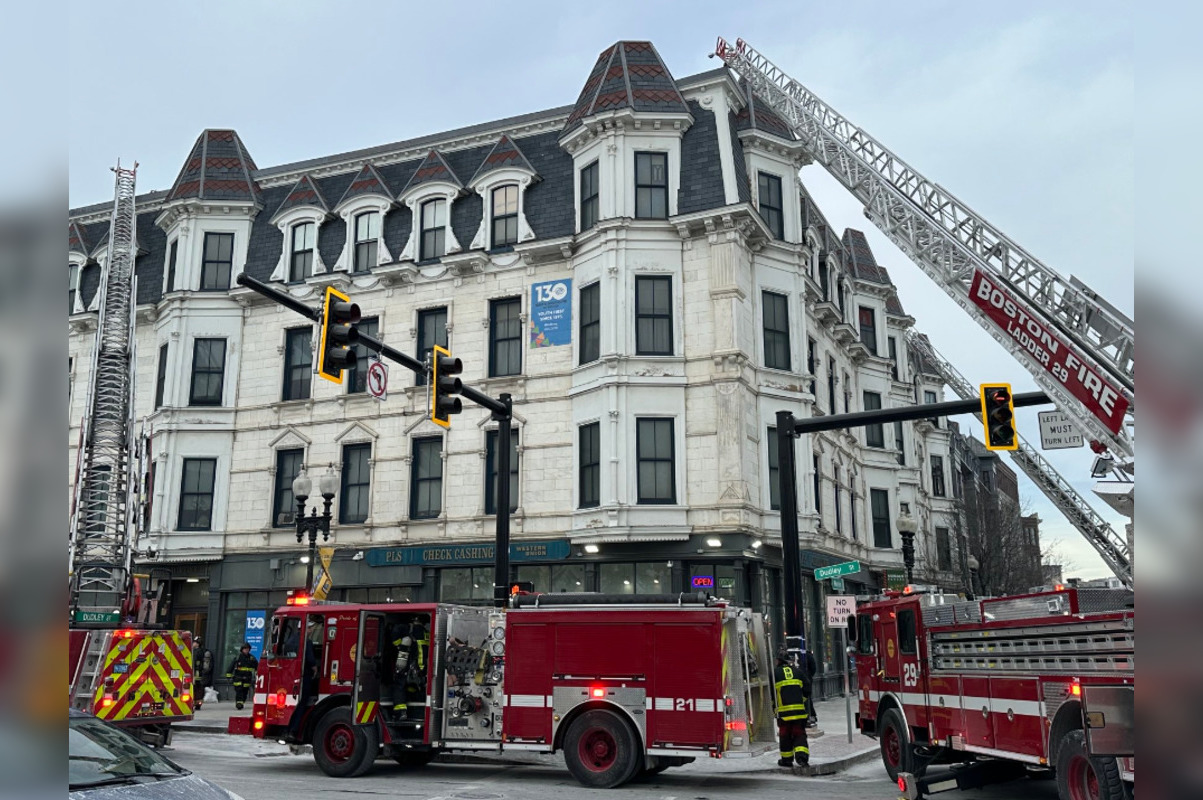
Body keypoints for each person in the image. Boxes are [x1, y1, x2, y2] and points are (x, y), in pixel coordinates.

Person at [773, 646, 810, 768]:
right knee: (799, 734)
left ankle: (787, 760)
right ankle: (802, 758)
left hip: (784, 714)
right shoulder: (798, 672)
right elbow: (807, 688)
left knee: (785, 735)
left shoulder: (774, 674)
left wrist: (774, 707)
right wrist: (802, 700)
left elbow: (771, 694)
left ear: (778, 660)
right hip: (799, 712)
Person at [285, 618, 320, 742]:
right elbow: (310, 659)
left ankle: (287, 729)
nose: (311, 630)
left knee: (293, 704)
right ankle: (294, 730)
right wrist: (315, 668)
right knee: (302, 703)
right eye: (310, 628)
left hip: (292, 676)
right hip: (304, 676)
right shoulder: (307, 642)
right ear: (304, 628)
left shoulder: (290, 640)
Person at [226, 643, 259, 711]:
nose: (246, 650)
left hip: (247, 678)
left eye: (247, 649)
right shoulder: (238, 657)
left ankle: (242, 702)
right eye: (245, 649)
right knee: (239, 691)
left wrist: (258, 674)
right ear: (242, 649)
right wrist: (228, 675)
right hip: (238, 677)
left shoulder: (252, 658)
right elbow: (231, 666)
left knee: (245, 691)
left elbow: (257, 667)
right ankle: (239, 703)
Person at [192, 637, 214, 710]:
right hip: (200, 674)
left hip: (197, 673)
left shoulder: (197, 652)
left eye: (194, 642)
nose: (193, 643)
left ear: (198, 644)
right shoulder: (203, 651)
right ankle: (198, 702)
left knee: (197, 688)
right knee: (199, 689)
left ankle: (196, 702)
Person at [804, 648, 819, 728]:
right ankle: (811, 715)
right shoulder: (808, 656)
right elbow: (813, 669)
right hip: (807, 679)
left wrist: (808, 676)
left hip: (807, 680)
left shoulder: (807, 656)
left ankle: (811, 715)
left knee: (807, 698)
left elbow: (813, 668)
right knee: (808, 697)